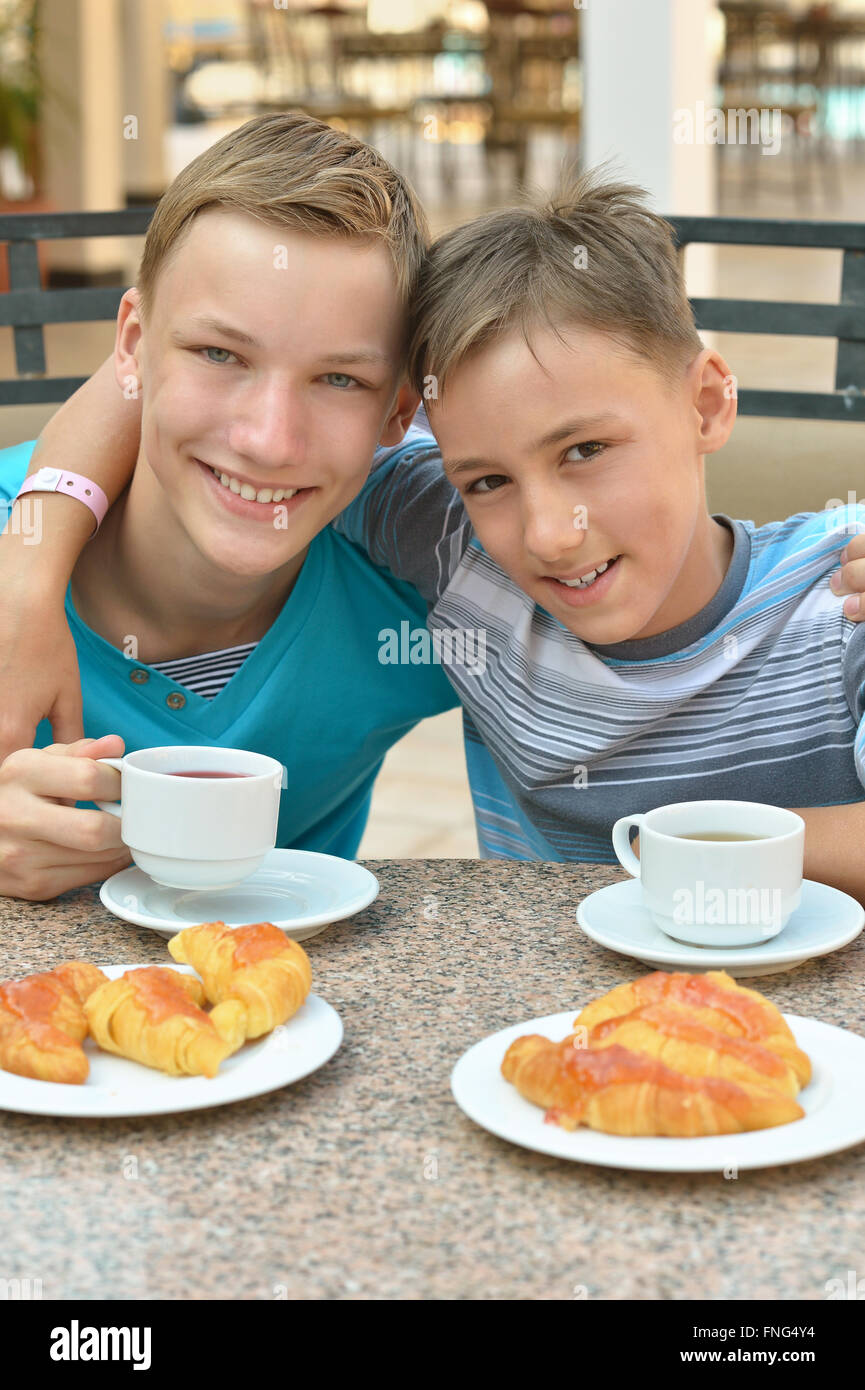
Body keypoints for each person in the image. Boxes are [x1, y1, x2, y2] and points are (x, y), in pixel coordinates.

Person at [4, 169, 865, 896]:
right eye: (486, 479)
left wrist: (695, 848)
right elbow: (151, 381)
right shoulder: (460, 549)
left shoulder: (840, 596)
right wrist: (31, 570)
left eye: (586, 450)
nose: (548, 535)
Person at [0, 112, 457, 900]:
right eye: (220, 354)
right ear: (132, 344)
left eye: (339, 379)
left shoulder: (422, 585)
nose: (269, 440)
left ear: (397, 413)